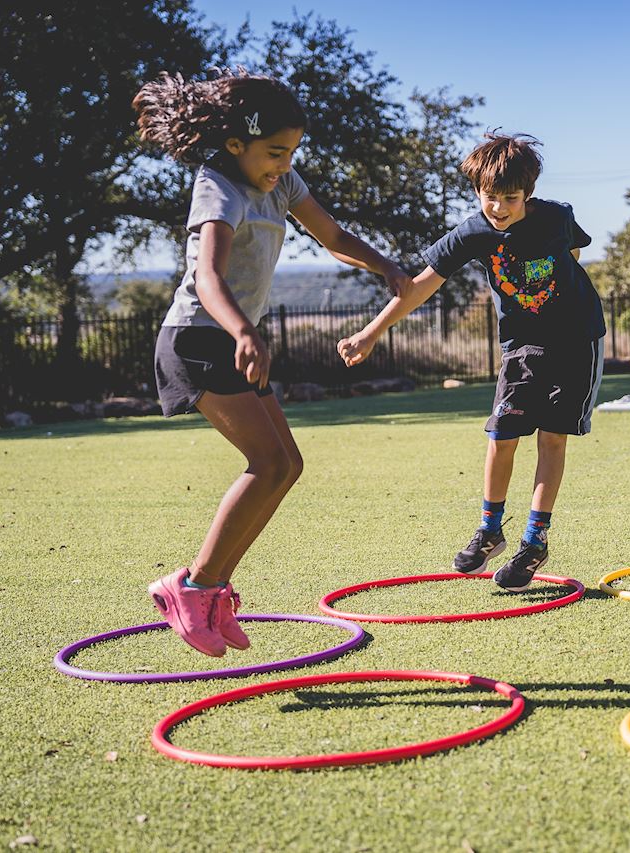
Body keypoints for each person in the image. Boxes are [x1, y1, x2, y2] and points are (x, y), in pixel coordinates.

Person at [133, 69, 410, 656]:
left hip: (229, 340)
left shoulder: (281, 182)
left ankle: (210, 589)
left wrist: (385, 265)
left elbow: (332, 235)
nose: (283, 164)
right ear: (237, 144)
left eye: (291, 153)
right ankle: (191, 586)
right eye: (274, 152)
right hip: (199, 340)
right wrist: (243, 330)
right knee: (265, 461)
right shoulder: (219, 186)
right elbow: (206, 276)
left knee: (286, 465)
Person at [338, 133, 606, 592]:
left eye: (510, 198)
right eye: (489, 196)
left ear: (530, 193)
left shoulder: (557, 217)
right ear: (477, 190)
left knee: (553, 438)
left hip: (577, 341)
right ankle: (490, 530)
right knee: (502, 436)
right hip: (522, 346)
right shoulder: (473, 232)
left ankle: (534, 541)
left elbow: (573, 255)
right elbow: (420, 286)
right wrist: (370, 333)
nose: (499, 208)